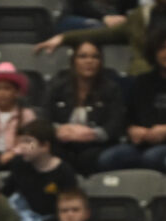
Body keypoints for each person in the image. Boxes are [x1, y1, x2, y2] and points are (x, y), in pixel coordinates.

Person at [99, 26, 166, 173]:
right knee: (108, 158)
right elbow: (127, 116)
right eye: (164, 48)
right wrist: (132, 130)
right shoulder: (142, 82)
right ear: (154, 52)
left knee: (152, 157)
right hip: (141, 143)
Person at [43, 41, 124, 176]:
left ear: (101, 62)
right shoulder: (57, 87)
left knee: (89, 157)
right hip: (62, 142)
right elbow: (44, 117)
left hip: (96, 145)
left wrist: (93, 134)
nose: (89, 61)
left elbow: (116, 124)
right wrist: (58, 130)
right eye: (83, 56)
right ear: (73, 61)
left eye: (95, 57)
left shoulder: (111, 89)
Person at [3, 120, 78, 221]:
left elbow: (68, 207)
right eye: (20, 142)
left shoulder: (64, 172)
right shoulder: (19, 164)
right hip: (25, 219)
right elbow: (6, 193)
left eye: (28, 142)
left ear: (45, 146)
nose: (22, 147)